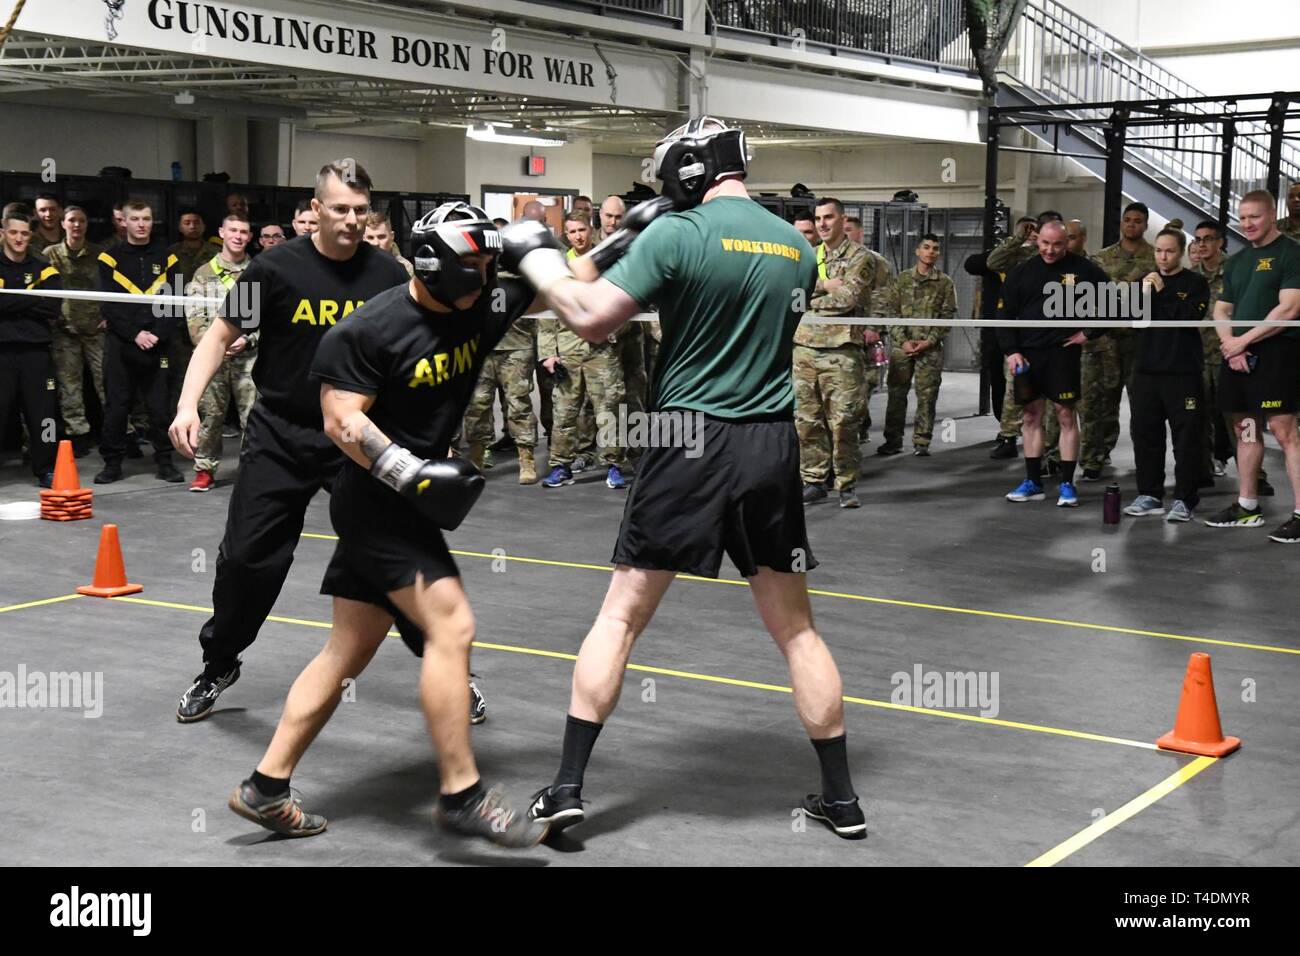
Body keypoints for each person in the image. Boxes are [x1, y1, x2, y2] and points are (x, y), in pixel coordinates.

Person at [503, 116, 866, 840]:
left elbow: (588, 318)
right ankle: (844, 800)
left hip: (687, 437)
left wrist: (537, 256)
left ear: (689, 170)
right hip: (770, 443)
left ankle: (569, 786)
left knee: (620, 616)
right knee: (797, 630)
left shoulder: (679, 235)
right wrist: (620, 245)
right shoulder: (796, 245)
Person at [227, 203, 546, 847]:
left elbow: (562, 282)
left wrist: (631, 236)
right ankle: (461, 794)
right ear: (439, 266)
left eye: (491, 265)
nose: (488, 277)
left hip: (398, 503)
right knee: (452, 626)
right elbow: (342, 421)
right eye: (477, 265)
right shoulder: (370, 330)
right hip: (377, 504)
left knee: (349, 646)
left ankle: (266, 787)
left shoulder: (480, 307)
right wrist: (411, 474)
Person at [167, 160, 458, 722]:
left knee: (398, 553)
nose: (351, 220)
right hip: (282, 432)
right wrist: (186, 405)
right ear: (317, 209)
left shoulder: (389, 276)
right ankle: (219, 661)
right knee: (248, 559)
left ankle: (446, 665)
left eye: (361, 210)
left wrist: (433, 433)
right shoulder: (274, 270)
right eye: (340, 209)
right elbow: (219, 337)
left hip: (359, 435)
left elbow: (423, 355)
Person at [1202, 190, 1300, 542]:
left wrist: (1244, 341)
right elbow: (1221, 310)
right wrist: (1231, 346)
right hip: (1238, 358)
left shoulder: (1291, 253)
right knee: (1245, 429)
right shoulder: (1239, 261)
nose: (1247, 224)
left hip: (1276, 355)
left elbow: (1288, 309)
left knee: (1286, 433)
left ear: (1272, 215)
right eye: (1242, 218)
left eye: (1254, 217)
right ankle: (1247, 506)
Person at [998, 220, 1107, 507]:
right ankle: (1032, 481)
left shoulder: (1085, 270)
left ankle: (1068, 484)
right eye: (1045, 243)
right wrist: (1011, 351)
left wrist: (1089, 332)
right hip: (1028, 355)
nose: (1050, 249)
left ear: (1067, 243)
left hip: (1063, 354)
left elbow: (1116, 302)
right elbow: (1004, 317)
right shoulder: (1021, 272)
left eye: (1057, 244)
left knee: (1066, 416)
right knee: (1031, 417)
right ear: (1037, 240)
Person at [94, 198, 185, 484]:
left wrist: (157, 333)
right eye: (135, 219)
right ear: (124, 221)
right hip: (122, 344)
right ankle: (112, 463)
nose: (142, 224)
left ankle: (165, 462)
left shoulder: (168, 257)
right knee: (117, 407)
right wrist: (134, 334)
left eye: (146, 218)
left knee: (160, 407)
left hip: (158, 345)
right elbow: (109, 305)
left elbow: (176, 301)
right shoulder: (109, 258)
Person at [1123, 229, 1211, 522]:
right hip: (1146, 370)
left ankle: (1185, 498)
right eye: (1158, 250)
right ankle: (1150, 493)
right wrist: (1145, 293)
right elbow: (1132, 320)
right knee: (1145, 433)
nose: (1162, 256)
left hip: (1182, 371)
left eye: (1169, 251)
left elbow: (1188, 317)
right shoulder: (1143, 283)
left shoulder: (1196, 283)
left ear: (1182, 252)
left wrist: (1162, 293)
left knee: (1187, 437)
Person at [539, 209, 626, 491]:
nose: (578, 236)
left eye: (582, 230)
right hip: (568, 351)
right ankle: (561, 466)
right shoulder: (560, 268)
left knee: (609, 410)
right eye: (572, 231)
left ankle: (614, 465)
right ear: (566, 234)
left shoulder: (606, 263)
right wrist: (548, 353)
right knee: (564, 412)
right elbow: (546, 315)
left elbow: (626, 301)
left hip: (602, 351)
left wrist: (615, 329)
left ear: (591, 230)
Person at [793, 197, 872, 508]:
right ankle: (814, 481)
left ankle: (847, 483)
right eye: (818, 218)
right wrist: (826, 285)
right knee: (806, 420)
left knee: (843, 421)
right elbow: (790, 295)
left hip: (841, 350)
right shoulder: (807, 257)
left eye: (828, 217)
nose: (822, 224)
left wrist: (812, 293)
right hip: (803, 348)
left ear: (842, 220)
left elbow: (847, 299)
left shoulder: (860, 257)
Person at [185, 213, 257, 492]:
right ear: (222, 233)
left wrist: (248, 340)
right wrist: (214, 345)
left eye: (244, 231)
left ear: (249, 237)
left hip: (250, 358)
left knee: (252, 417)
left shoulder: (258, 271)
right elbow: (194, 317)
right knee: (211, 415)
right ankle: (204, 468)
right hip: (214, 358)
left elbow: (270, 314)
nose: (238, 236)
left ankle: (251, 470)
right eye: (233, 230)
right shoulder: (204, 273)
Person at [1085, 201, 1157, 480]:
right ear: (1121, 223)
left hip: (1141, 343)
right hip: (1105, 342)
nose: (1132, 225)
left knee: (1143, 404)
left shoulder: (1155, 258)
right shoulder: (1101, 258)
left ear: (1146, 224)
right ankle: (1095, 456)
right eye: (1128, 220)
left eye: (1138, 220)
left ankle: (1146, 457)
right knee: (1100, 402)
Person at [873, 233, 956, 457]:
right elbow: (892, 313)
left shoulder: (945, 283)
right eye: (926, 247)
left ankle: (922, 442)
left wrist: (929, 341)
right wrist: (903, 341)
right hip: (903, 348)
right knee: (896, 395)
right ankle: (893, 441)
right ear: (917, 251)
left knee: (927, 397)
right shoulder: (902, 280)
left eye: (935, 248)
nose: (931, 252)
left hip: (930, 349)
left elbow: (948, 317)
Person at [0, 209, 62, 487]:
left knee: (44, 415)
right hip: (2, 352)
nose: (19, 238)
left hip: (37, 352)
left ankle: (46, 468)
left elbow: (52, 307)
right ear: (3, 233)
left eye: (24, 233)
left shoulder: (44, 268)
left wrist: (11, 302)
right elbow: (38, 304)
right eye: (13, 232)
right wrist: (31, 299)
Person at [45, 205, 106, 458]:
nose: (76, 225)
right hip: (65, 330)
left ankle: (119, 432)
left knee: (106, 381)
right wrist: (52, 320)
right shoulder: (51, 254)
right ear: (63, 224)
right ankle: (77, 433)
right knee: (70, 385)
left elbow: (111, 287)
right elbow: (44, 288)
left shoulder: (99, 254)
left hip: (96, 328)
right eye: (71, 220)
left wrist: (108, 317)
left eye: (81, 220)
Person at [988, 215, 1046, 459]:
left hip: (1045, 331)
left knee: (1046, 391)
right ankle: (1008, 436)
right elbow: (993, 261)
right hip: (1018, 332)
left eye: (1036, 230)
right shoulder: (1017, 257)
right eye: (1028, 230)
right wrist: (1019, 237)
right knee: (1013, 388)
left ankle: (1046, 444)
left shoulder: (1049, 257)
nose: (1032, 234)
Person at [363, 211, 414, 277]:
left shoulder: (406, 267)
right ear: (363, 239)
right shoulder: (354, 265)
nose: (376, 243)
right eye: (370, 238)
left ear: (392, 236)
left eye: (381, 237)